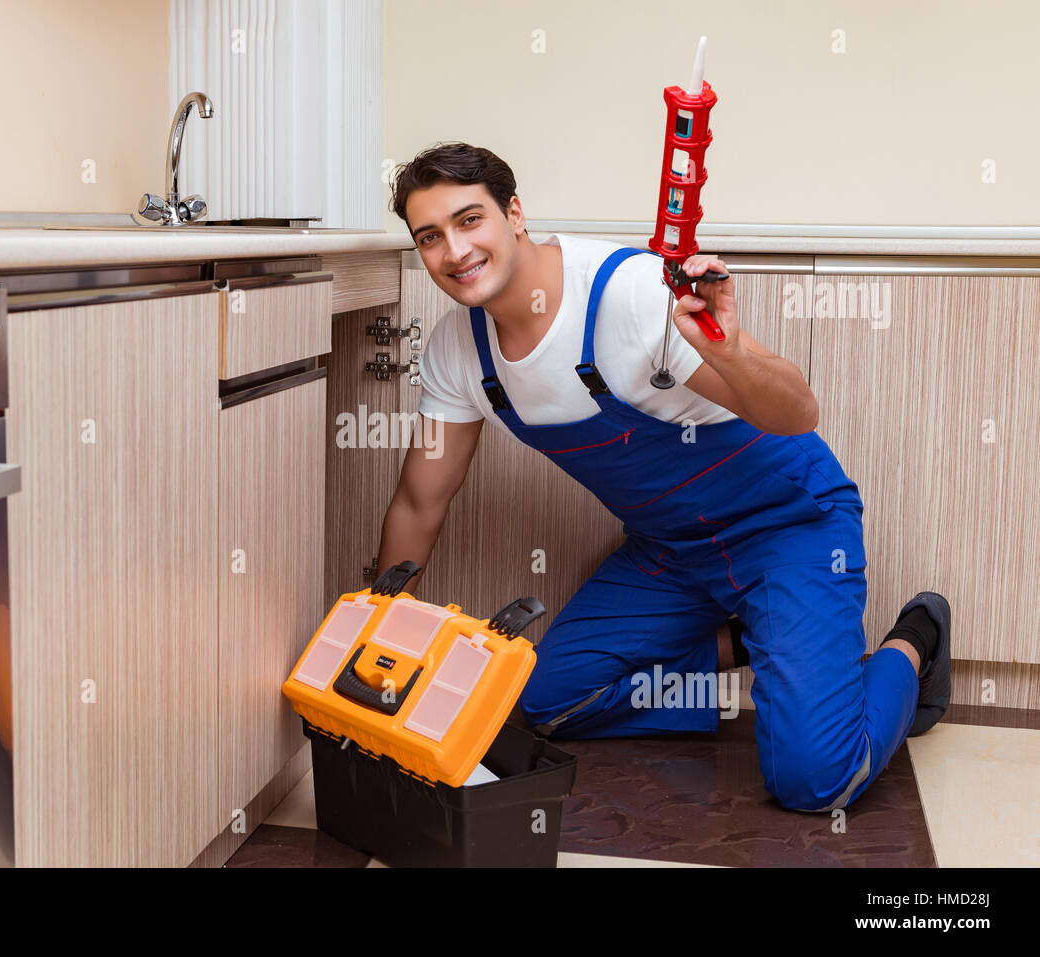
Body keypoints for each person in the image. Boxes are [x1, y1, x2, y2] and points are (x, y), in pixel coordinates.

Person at [375, 141, 951, 813]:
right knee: (549, 702)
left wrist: (729, 353)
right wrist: (380, 639)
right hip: (671, 552)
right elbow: (421, 502)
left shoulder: (628, 295)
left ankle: (914, 643)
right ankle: (759, 640)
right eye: (430, 237)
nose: (455, 250)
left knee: (815, 778)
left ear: (515, 213)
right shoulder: (457, 350)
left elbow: (797, 411)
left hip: (791, 527)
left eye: (469, 220)